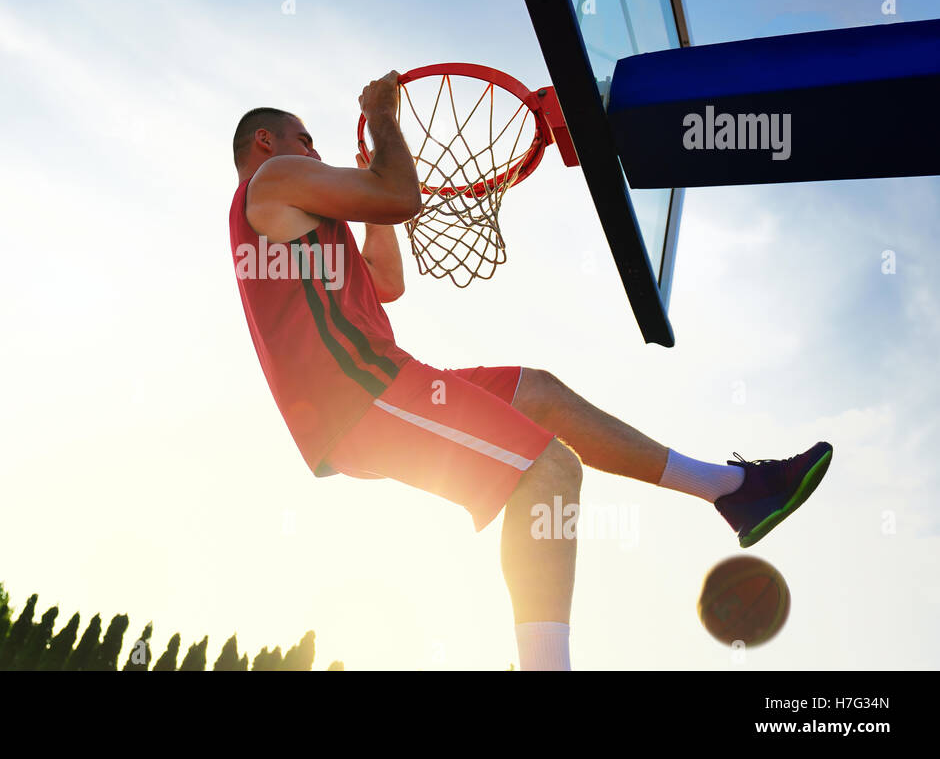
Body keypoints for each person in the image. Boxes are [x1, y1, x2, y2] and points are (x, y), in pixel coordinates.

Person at [228, 71, 832, 670]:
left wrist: (369, 193)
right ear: (265, 142)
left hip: (383, 380)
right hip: (357, 395)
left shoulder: (300, 217)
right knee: (549, 472)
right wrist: (385, 119)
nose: (315, 151)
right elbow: (402, 195)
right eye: (306, 140)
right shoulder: (273, 178)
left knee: (539, 393)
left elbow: (386, 281)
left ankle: (731, 490)